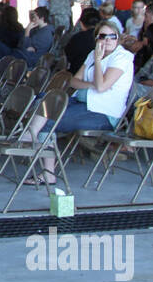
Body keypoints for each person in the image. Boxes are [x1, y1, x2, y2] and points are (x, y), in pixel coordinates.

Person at [25, 19, 134, 184]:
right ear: (97, 38)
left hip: (103, 113)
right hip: (84, 103)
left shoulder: (122, 57)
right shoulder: (93, 53)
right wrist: (91, 84)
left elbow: (102, 86)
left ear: (118, 38)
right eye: (103, 36)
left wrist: (97, 62)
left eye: (113, 36)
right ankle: (32, 134)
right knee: (45, 99)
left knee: (49, 120)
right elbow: (74, 81)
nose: (108, 40)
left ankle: (44, 166)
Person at [63, 8, 102, 74]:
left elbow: (67, 56)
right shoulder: (104, 37)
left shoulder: (77, 38)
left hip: (76, 74)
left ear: (81, 23)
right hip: (99, 74)